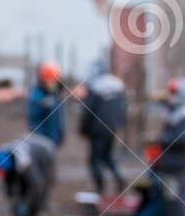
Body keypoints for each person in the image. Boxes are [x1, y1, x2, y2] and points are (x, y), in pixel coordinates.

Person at [148, 77, 185, 216]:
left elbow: (183, 138)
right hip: (168, 165)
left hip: (176, 166)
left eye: (174, 92)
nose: (170, 96)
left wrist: (161, 139)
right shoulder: (174, 113)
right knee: (170, 200)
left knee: (177, 201)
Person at [78, 65, 128, 195]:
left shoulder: (95, 87)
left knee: (94, 160)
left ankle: (100, 188)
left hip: (97, 130)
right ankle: (119, 176)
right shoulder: (118, 86)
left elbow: (88, 111)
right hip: (112, 128)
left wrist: (83, 129)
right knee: (108, 157)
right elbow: (122, 109)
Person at [0, 136, 57, 216]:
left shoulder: (27, 163)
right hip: (28, 150)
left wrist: (27, 204)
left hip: (45, 153)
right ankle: (19, 213)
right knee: (21, 186)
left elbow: (36, 185)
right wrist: (13, 204)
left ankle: (34, 214)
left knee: (40, 186)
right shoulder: (3, 158)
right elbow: (8, 184)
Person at [26, 61, 67, 146]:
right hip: (41, 141)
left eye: (54, 81)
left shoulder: (55, 96)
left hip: (53, 140)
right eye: (50, 81)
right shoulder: (36, 97)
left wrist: (60, 135)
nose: (53, 84)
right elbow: (34, 122)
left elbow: (58, 119)